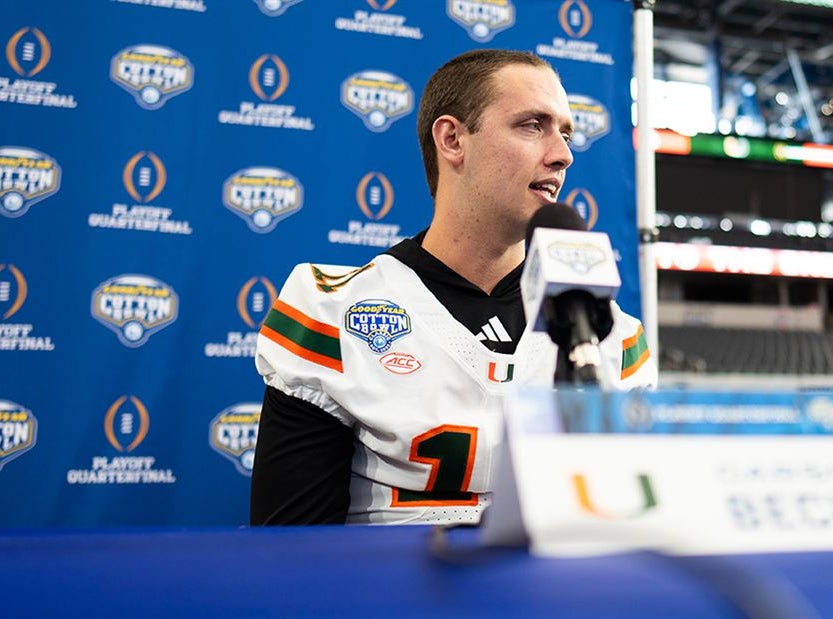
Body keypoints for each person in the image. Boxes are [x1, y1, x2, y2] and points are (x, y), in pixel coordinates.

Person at [250, 49, 657, 526]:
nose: (563, 154)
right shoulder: (331, 308)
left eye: (565, 133)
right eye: (532, 125)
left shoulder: (611, 336)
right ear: (452, 139)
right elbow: (294, 555)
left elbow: (625, 531)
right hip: (385, 595)